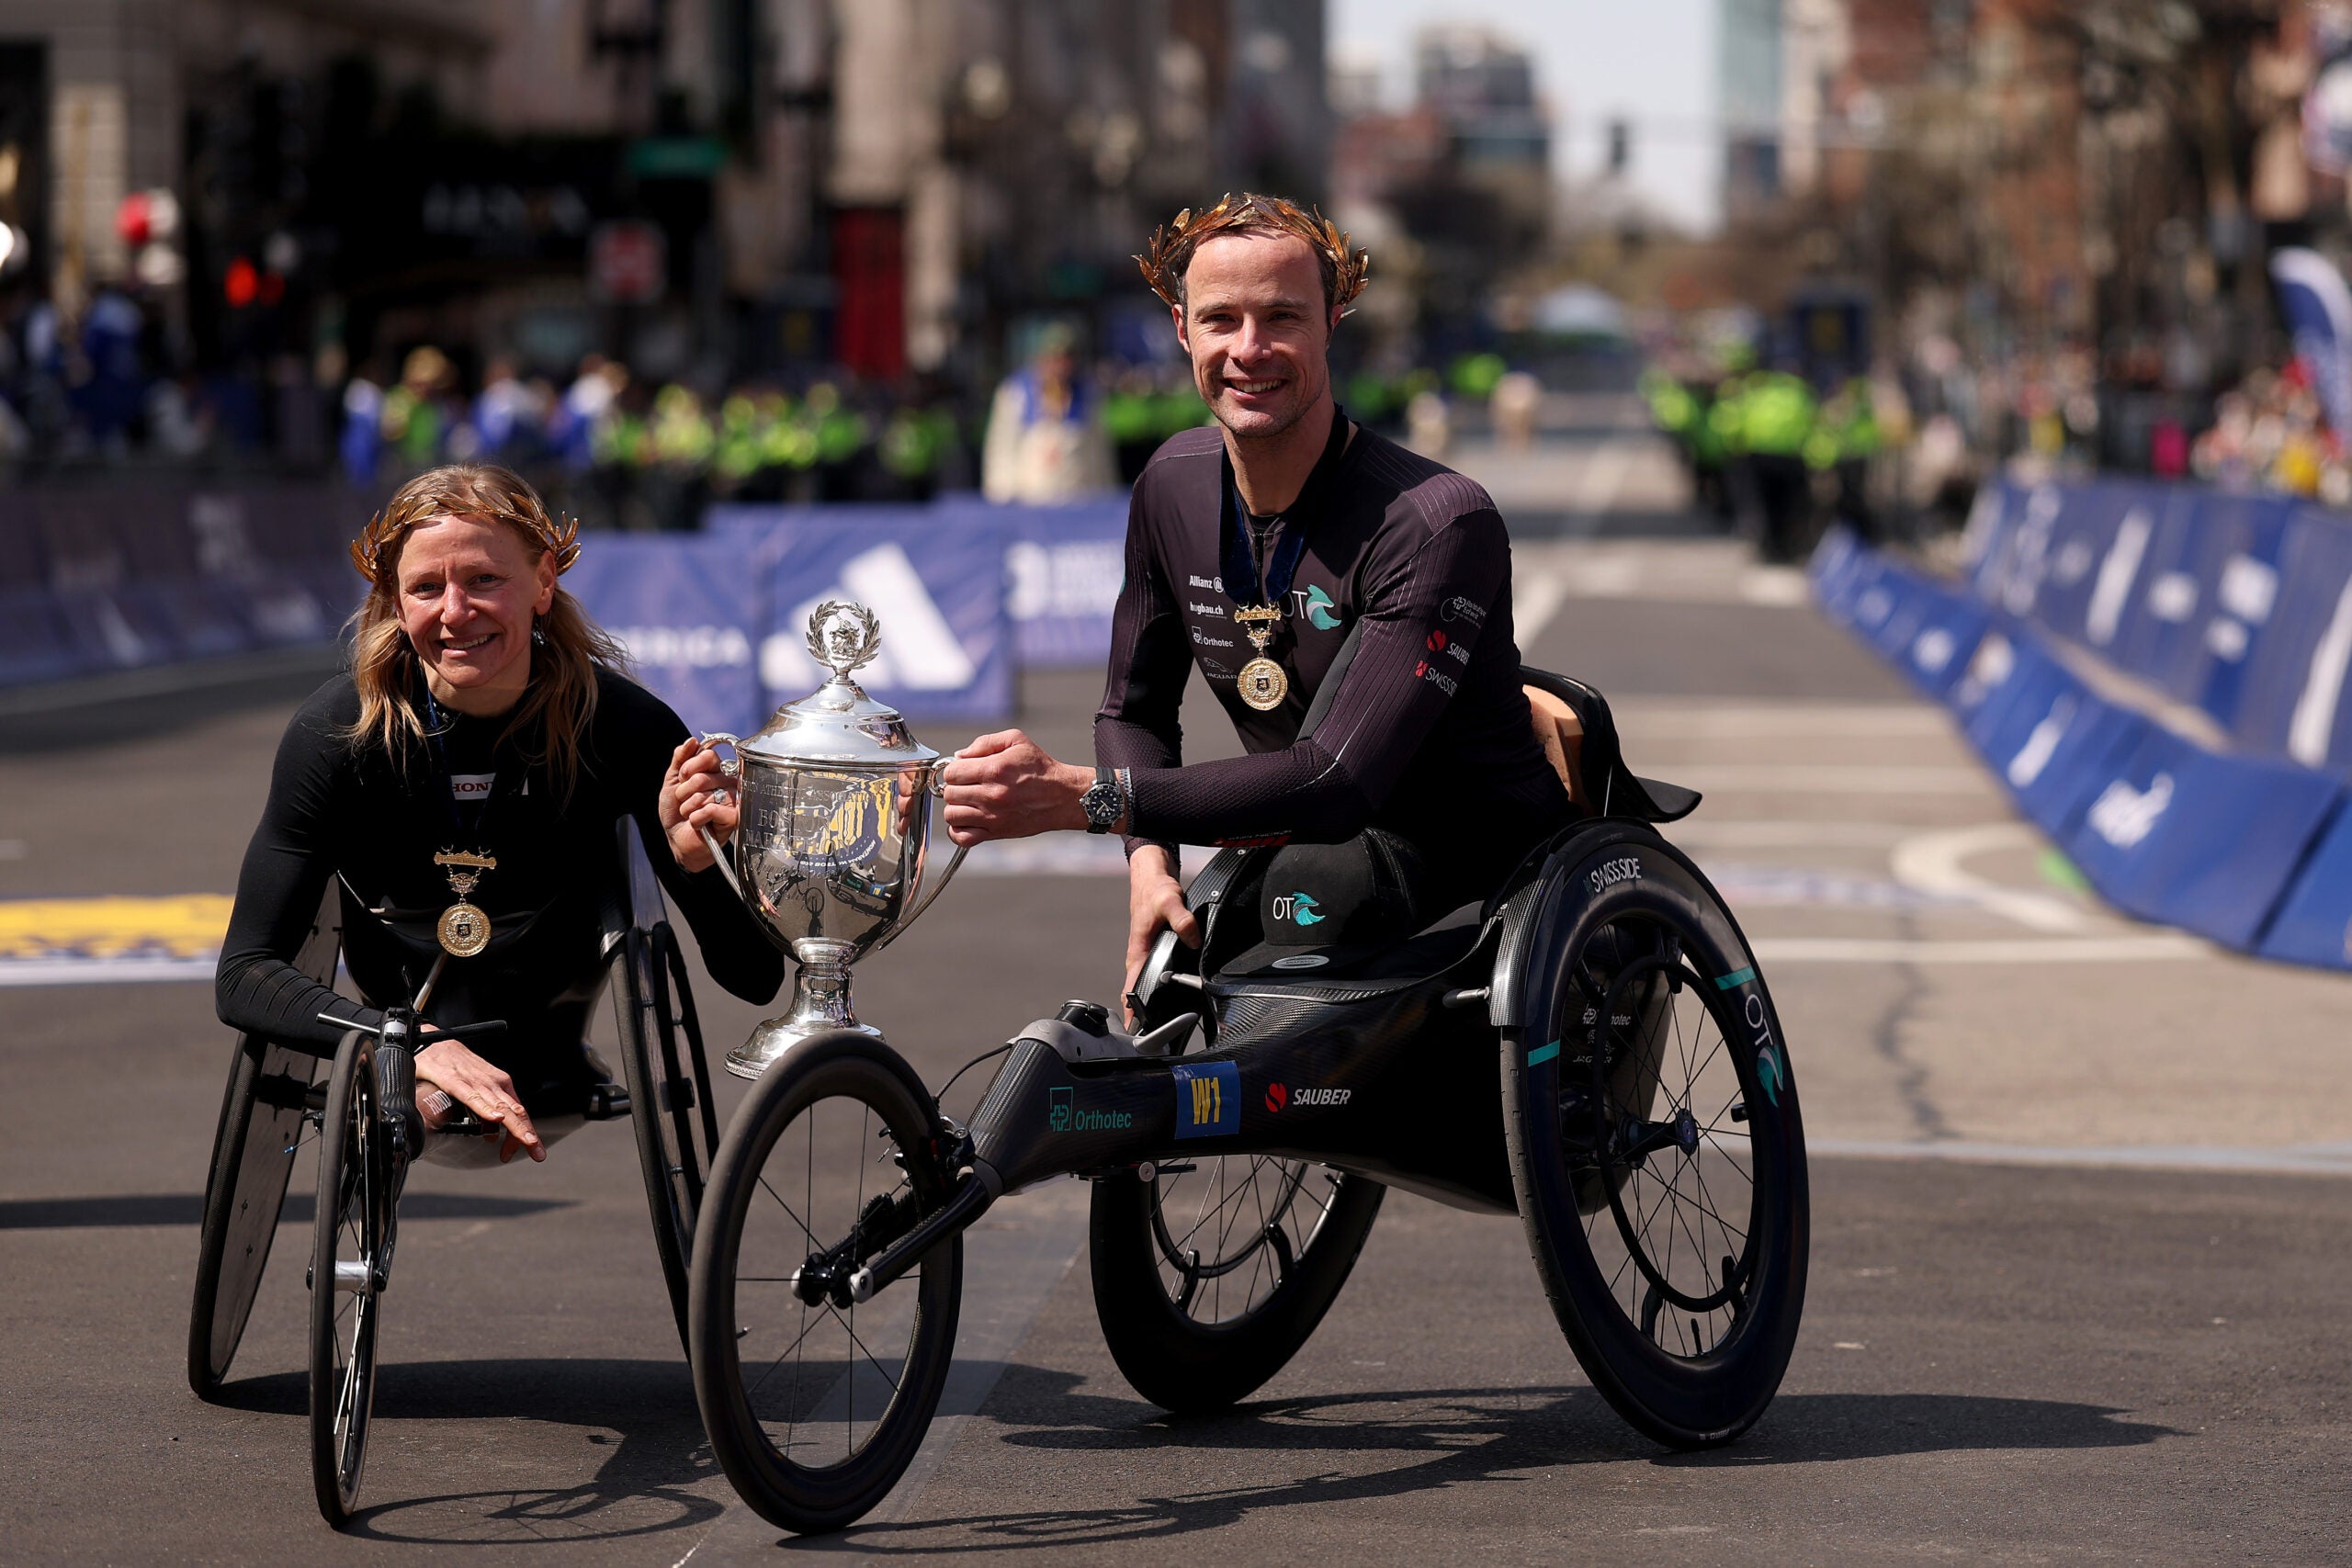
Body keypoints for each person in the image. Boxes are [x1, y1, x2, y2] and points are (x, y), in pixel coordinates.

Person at [934, 193, 1575, 1010]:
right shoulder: (1169, 483)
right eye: (1220, 320)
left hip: (1480, 870)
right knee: (1170, 977)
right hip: (1306, 844)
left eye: (1281, 316)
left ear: (1333, 321)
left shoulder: (1440, 519)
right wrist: (1147, 862)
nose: (1249, 349)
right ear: (1180, 330)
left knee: (1299, 889)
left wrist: (1083, 797)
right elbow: (1132, 710)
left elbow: (1337, 781)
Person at [215, 464, 780, 1165]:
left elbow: (756, 979)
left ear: (544, 582)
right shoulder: (335, 735)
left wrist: (698, 867)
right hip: (398, 1027)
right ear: (394, 600)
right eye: (426, 587)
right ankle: (417, 1093)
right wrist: (403, 1042)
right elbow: (243, 973)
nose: (455, 611)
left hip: (549, 1041)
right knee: (410, 1081)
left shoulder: (624, 727)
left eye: (484, 579)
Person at [980, 321, 1117, 502]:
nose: (1059, 366)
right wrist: (1002, 499)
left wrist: (1105, 496)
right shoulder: (1015, 393)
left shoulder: (1088, 394)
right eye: (1053, 358)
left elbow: (1100, 455)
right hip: (1029, 507)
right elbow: (1000, 451)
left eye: (1066, 358)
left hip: (1079, 506)